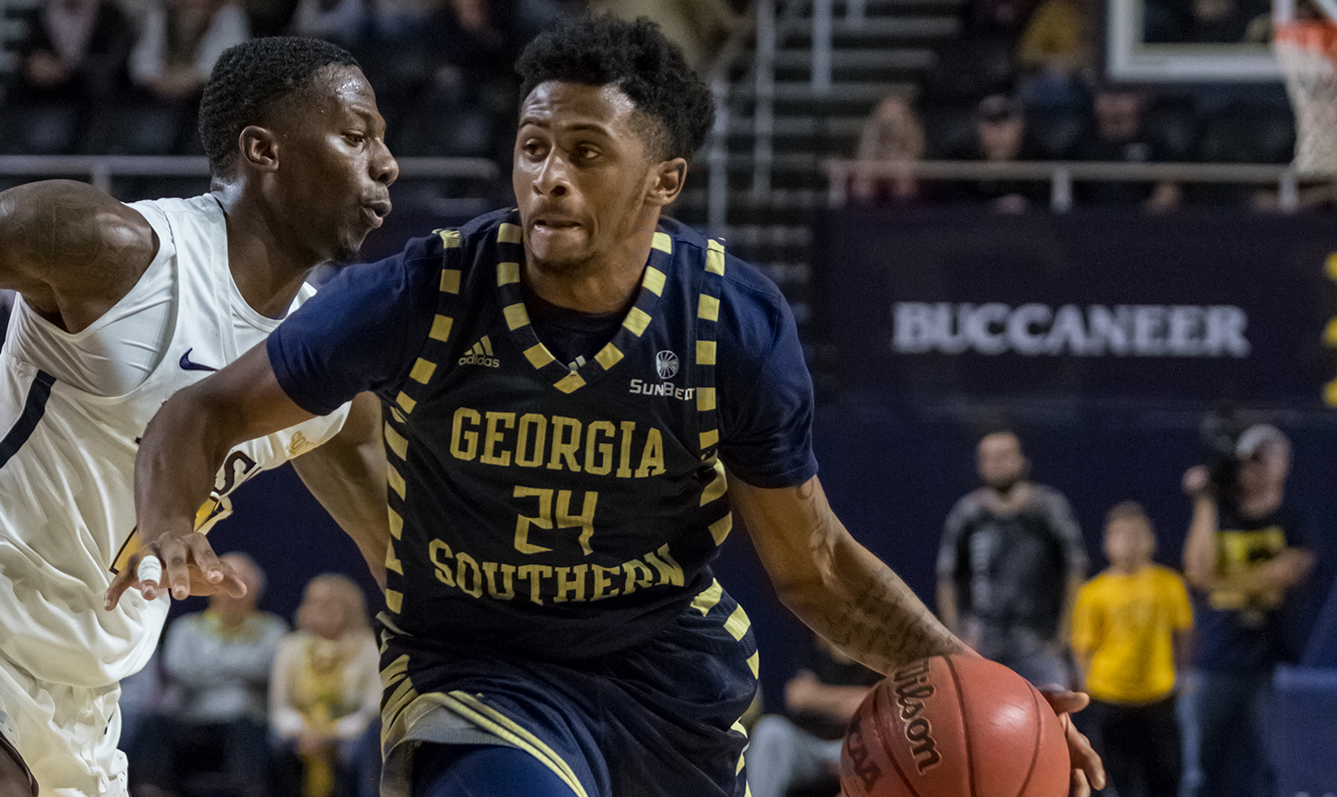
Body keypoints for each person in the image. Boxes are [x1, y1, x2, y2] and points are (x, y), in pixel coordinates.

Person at [111, 16, 1105, 797]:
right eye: (534, 145)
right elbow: (200, 413)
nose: (549, 176)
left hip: (668, 680)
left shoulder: (730, 322)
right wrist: (167, 520)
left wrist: (987, 687)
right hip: (477, 667)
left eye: (586, 153)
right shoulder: (429, 291)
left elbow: (820, 571)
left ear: (663, 180)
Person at [0, 36, 394, 796]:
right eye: (356, 135)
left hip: (88, 698)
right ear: (263, 149)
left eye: (383, 140)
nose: (386, 162)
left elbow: (403, 566)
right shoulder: (119, 254)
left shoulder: (321, 370)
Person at [1180, 424, 1315, 797]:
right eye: (1247, 461)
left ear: (1282, 465)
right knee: (1199, 766)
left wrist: (1220, 580)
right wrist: (1205, 500)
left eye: (1263, 460)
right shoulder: (1218, 512)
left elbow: (1290, 572)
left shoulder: (1293, 519)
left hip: (1270, 661)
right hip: (1216, 658)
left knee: (1262, 762)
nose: (1253, 470)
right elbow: (1196, 568)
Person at [937, 430, 1089, 688]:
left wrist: (1064, 635)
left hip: (1038, 642)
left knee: (1054, 715)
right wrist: (955, 636)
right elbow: (947, 577)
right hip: (982, 642)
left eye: (1005, 455)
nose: (997, 463)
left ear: (1023, 461)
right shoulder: (968, 514)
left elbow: (1075, 570)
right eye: (989, 457)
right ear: (980, 465)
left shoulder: (1048, 509)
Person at [1072, 501, 1192, 797]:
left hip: (1159, 697)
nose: (1129, 542)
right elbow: (1083, 647)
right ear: (1106, 542)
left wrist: (1184, 676)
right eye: (1120, 534)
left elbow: (1183, 634)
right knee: (1114, 781)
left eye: (1137, 534)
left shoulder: (1170, 584)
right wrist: (1087, 687)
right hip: (1110, 699)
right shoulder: (1093, 592)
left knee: (1165, 777)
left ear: (1151, 538)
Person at [141, 553, 287, 796]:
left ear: (255, 590)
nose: (231, 589)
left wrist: (209, 666)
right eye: (224, 581)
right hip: (193, 717)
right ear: (209, 586)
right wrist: (239, 671)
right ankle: (149, 788)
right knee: (155, 722)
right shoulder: (185, 627)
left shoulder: (273, 628)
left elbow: (266, 669)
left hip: (246, 719)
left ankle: (250, 789)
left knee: (248, 730)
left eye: (241, 581)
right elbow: (178, 669)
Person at [269, 574, 381, 797]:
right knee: (276, 747)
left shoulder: (370, 647)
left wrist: (330, 735)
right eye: (314, 602)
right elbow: (279, 707)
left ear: (350, 606)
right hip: (300, 733)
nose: (321, 609)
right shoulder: (290, 646)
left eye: (331, 602)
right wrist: (305, 732)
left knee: (363, 749)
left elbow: (373, 708)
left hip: (350, 734)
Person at [743, 634, 881, 797]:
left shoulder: (876, 659)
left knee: (880, 751)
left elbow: (870, 704)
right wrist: (850, 699)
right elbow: (796, 696)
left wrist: (816, 696)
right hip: (809, 744)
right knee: (770, 730)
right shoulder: (817, 650)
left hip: (851, 747)